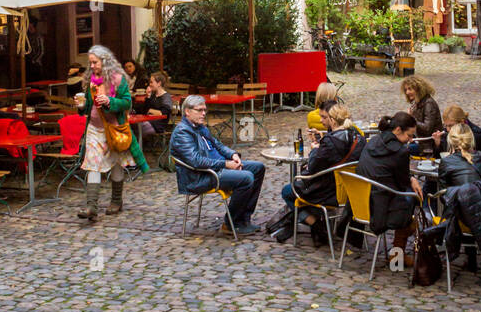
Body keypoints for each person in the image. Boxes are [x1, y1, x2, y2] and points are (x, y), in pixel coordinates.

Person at [169, 95, 266, 235]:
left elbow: (218, 145)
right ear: (187, 112)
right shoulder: (182, 132)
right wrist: (226, 164)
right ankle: (231, 223)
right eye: (199, 110)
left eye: (205, 110)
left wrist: (233, 155)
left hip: (216, 168)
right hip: (200, 176)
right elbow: (196, 161)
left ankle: (244, 218)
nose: (203, 113)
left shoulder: (200, 128)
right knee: (247, 177)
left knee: (258, 168)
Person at [75, 45, 148, 224]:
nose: (91, 66)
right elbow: (87, 108)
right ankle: (91, 206)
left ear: (105, 61)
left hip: (115, 129)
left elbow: (126, 103)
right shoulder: (92, 81)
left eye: (95, 62)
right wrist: (81, 106)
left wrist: (110, 101)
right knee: (93, 164)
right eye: (90, 63)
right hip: (94, 129)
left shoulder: (117, 79)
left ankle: (116, 201)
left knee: (116, 164)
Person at [274, 101, 364, 244]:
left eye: (323, 117)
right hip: (349, 191)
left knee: (287, 192)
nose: (321, 120)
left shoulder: (330, 142)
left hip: (328, 191)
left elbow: (313, 166)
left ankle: (317, 224)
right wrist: (324, 139)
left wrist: (315, 149)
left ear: (332, 120)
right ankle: (317, 225)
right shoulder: (357, 136)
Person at [357, 113, 424, 265]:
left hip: (360, 204)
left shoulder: (374, 141)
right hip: (381, 210)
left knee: (407, 199)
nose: (411, 140)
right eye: (409, 135)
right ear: (398, 130)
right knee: (412, 198)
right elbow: (402, 185)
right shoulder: (401, 151)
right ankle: (398, 254)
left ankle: (401, 248)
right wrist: (411, 179)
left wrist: (410, 178)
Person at [438, 123, 481, 189]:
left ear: (450, 141)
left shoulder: (446, 161)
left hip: (460, 198)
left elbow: (443, 192)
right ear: (471, 139)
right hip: (480, 197)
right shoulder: (480, 156)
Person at [136, 70, 174, 144]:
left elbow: (163, 114)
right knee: (133, 126)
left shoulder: (166, 97)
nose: (149, 84)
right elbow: (144, 111)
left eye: (151, 82)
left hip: (158, 126)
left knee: (139, 128)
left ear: (159, 83)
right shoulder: (153, 96)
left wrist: (149, 110)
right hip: (148, 122)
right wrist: (148, 97)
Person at [401, 75, 442, 142]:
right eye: (406, 90)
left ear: (418, 89)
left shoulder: (429, 104)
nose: (407, 92)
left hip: (428, 143)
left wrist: (412, 118)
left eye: (410, 89)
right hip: (419, 140)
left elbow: (427, 128)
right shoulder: (417, 102)